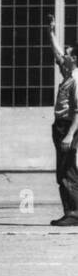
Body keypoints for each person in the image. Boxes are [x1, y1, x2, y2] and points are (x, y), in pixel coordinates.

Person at [51, 51, 78, 226]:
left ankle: (73, 213)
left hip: (68, 127)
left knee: (67, 170)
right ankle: (71, 211)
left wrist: (69, 135)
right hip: (61, 125)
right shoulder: (68, 74)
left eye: (67, 54)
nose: (62, 56)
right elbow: (57, 54)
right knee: (64, 170)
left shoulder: (76, 79)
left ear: (74, 59)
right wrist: (50, 32)